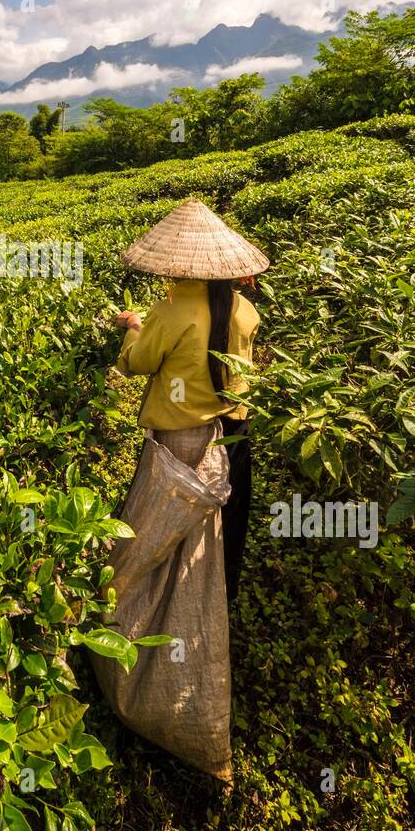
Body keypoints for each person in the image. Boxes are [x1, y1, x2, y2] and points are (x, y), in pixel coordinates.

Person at [115, 200, 268, 604]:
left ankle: (156, 610)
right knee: (220, 528)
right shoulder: (244, 309)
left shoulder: (170, 309)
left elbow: (138, 363)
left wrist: (133, 328)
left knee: (163, 532)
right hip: (235, 432)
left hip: (183, 438)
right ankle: (214, 604)